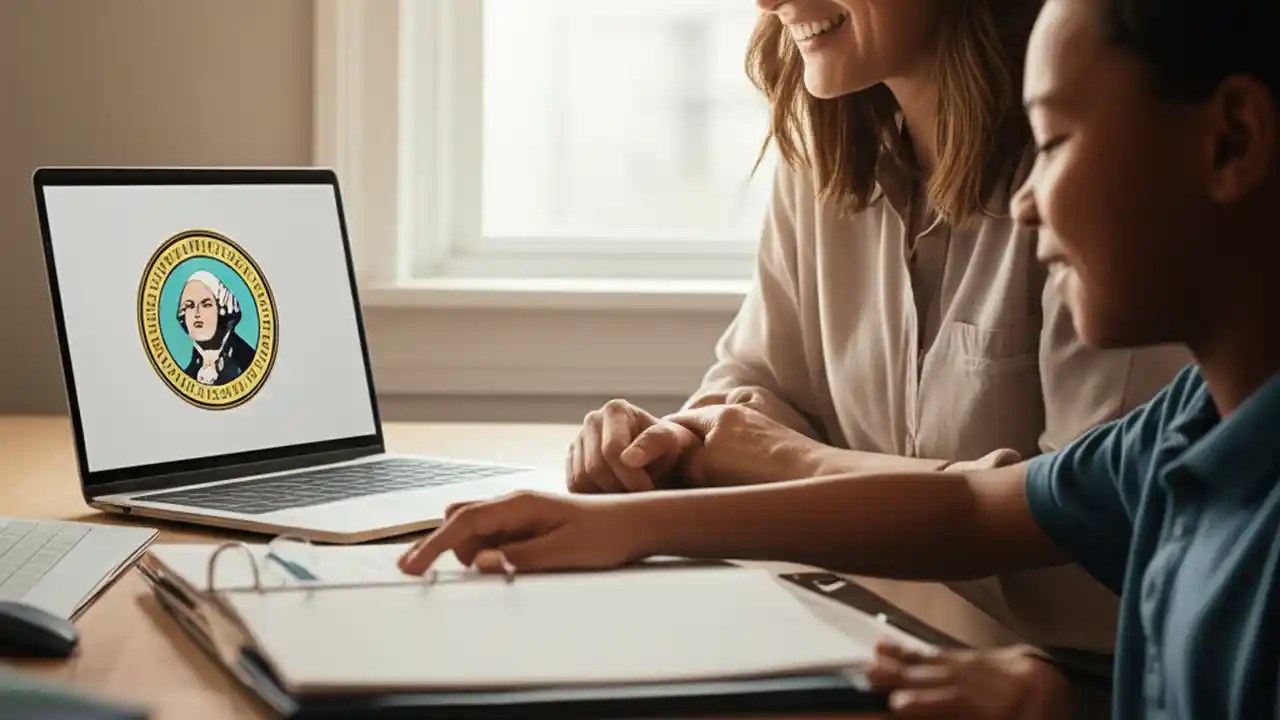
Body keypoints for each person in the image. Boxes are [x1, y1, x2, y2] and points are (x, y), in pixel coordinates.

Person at [401, 0, 1280, 716]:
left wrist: (777, 461)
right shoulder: (1180, 431)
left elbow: (1090, 575)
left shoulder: (1220, 465)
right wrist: (639, 507)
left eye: (1052, 146)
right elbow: (963, 504)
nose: (1026, 206)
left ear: (1233, 142)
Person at [568, 0, 1187, 651]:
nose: (769, 2)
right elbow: (762, 382)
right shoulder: (827, 153)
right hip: (870, 648)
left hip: (1075, 687)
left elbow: (1090, 529)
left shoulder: (1089, 178)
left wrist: (773, 463)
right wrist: (677, 446)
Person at [176, 270, 256, 386]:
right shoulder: (188, 376)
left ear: (222, 309)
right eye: (190, 306)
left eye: (206, 305)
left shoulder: (248, 363)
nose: (197, 313)